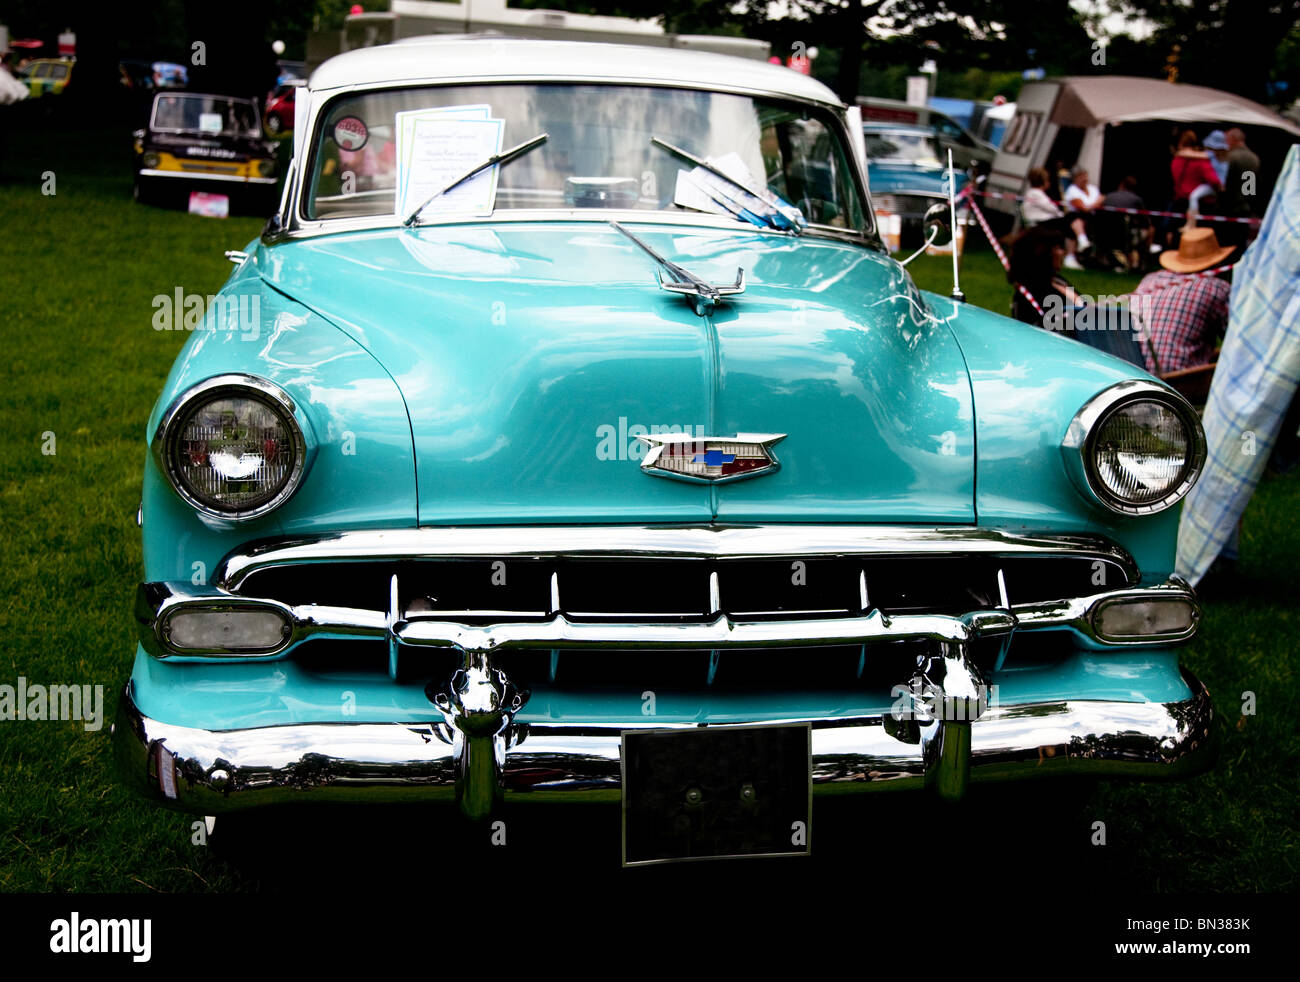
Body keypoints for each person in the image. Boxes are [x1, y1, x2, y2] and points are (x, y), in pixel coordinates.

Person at [1177, 144, 1300, 587]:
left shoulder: (1154, 281)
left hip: (1155, 374)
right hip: (1189, 383)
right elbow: (1228, 340)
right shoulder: (1213, 292)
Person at [1131, 227, 1232, 375]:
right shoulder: (1217, 287)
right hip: (1176, 378)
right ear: (1217, 263)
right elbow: (1236, 339)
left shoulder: (1151, 280)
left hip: (1133, 370)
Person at [1007, 224, 1079, 326]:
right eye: (1057, 248)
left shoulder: (1058, 281)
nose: (1062, 252)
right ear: (1043, 254)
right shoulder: (1028, 295)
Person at [1099, 176, 1153, 269]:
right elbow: (1145, 221)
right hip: (1125, 235)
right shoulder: (1136, 199)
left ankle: (1105, 258)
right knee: (1151, 230)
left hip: (1104, 233)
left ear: (1121, 185)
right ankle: (1143, 262)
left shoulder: (1108, 196)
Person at [1171, 129, 1221, 224]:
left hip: (1179, 201)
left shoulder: (1176, 159)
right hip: (1200, 205)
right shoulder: (1202, 161)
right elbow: (1214, 180)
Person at [1063, 166, 1103, 259]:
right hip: (1075, 216)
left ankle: (1083, 242)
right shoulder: (1072, 190)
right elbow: (1082, 208)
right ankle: (1081, 242)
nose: (1084, 179)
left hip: (1092, 217)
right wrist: (1096, 204)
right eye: (1080, 177)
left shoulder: (1093, 188)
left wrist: (1091, 206)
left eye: (1085, 176)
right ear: (1075, 179)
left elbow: (1102, 198)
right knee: (1076, 219)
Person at [1221, 127, 1261, 216]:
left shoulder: (1230, 157)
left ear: (1233, 139)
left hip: (1229, 206)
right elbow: (1254, 185)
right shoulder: (1254, 158)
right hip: (1246, 206)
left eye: (1226, 140)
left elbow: (1223, 181)